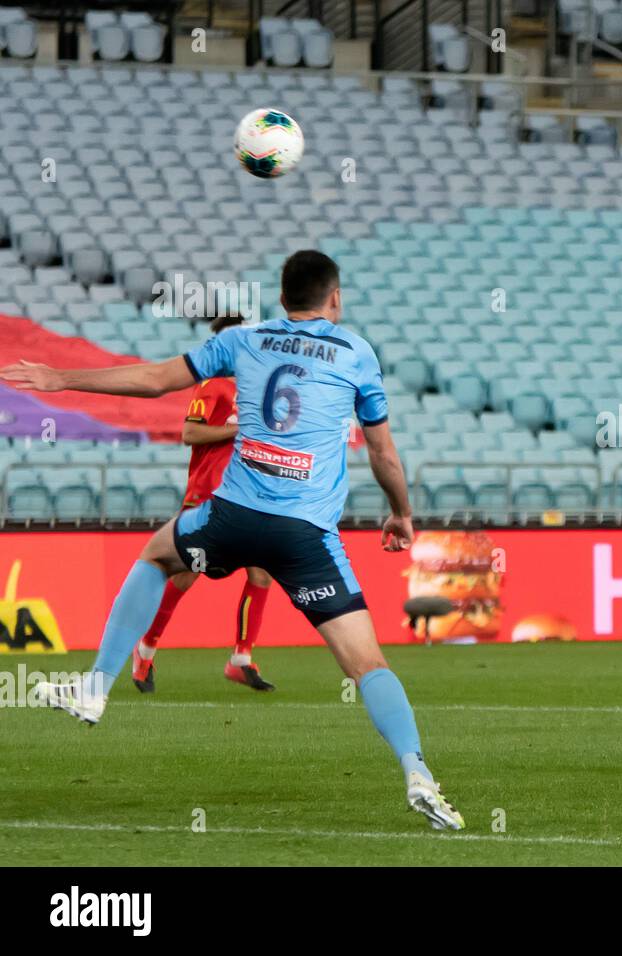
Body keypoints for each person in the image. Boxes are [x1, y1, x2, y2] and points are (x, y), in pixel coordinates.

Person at [1, 250, 464, 830]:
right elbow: (383, 452)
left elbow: (154, 380)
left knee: (157, 554)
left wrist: (60, 378)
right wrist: (401, 514)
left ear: (281, 297)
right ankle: (417, 771)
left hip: (233, 515)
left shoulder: (242, 340)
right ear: (335, 299)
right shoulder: (357, 354)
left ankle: (97, 686)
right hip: (306, 538)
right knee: (367, 664)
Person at [132, 314, 275, 694]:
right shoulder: (213, 385)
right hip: (207, 495)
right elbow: (189, 433)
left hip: (249, 495)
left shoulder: (258, 385)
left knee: (261, 572)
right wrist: (238, 429)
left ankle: (241, 659)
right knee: (186, 574)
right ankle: (145, 649)